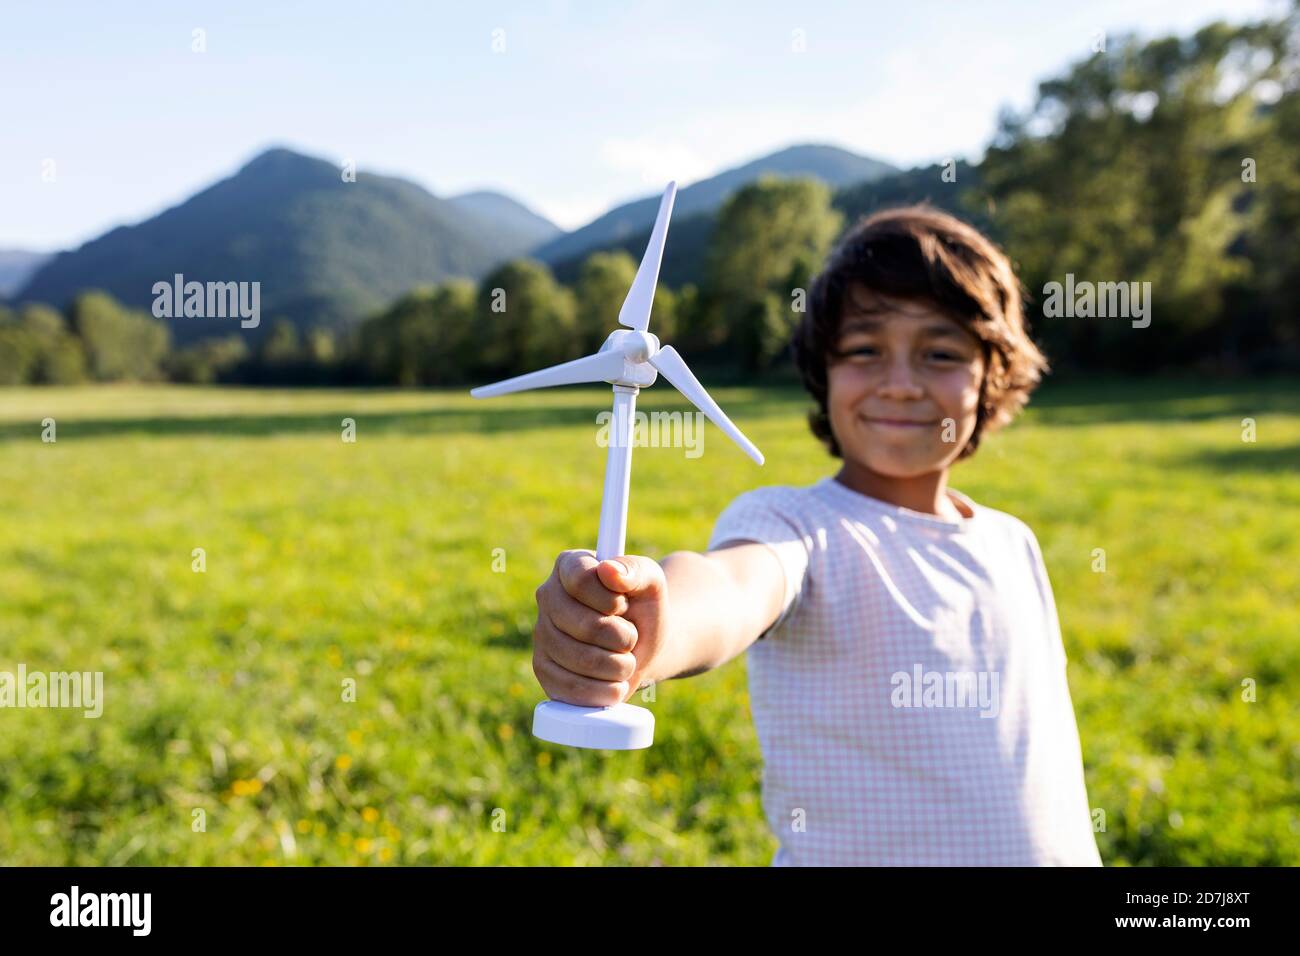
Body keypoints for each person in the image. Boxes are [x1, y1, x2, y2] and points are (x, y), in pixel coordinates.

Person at [530, 206, 1103, 866]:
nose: (900, 384)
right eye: (864, 351)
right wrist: (654, 628)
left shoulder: (1013, 542)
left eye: (941, 353)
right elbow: (730, 585)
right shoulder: (797, 528)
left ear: (993, 376)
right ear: (822, 372)